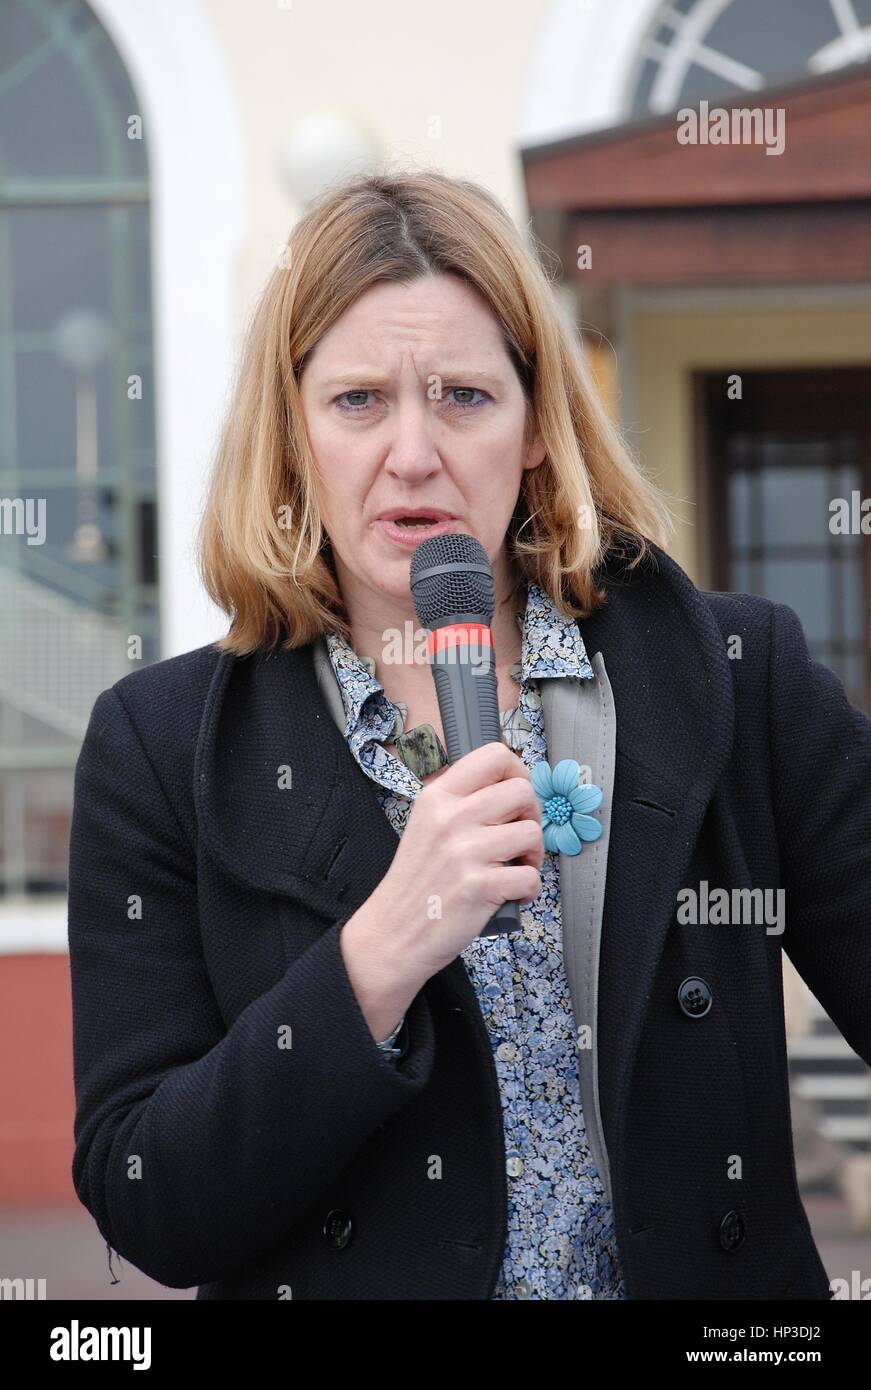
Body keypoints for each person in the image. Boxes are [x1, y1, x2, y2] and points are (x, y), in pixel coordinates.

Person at [67, 169, 871, 1301]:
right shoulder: (159, 748)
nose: (412, 453)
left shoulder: (738, 677)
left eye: (461, 395)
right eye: (357, 401)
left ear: (537, 423)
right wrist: (377, 955)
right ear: (292, 436)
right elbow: (149, 1194)